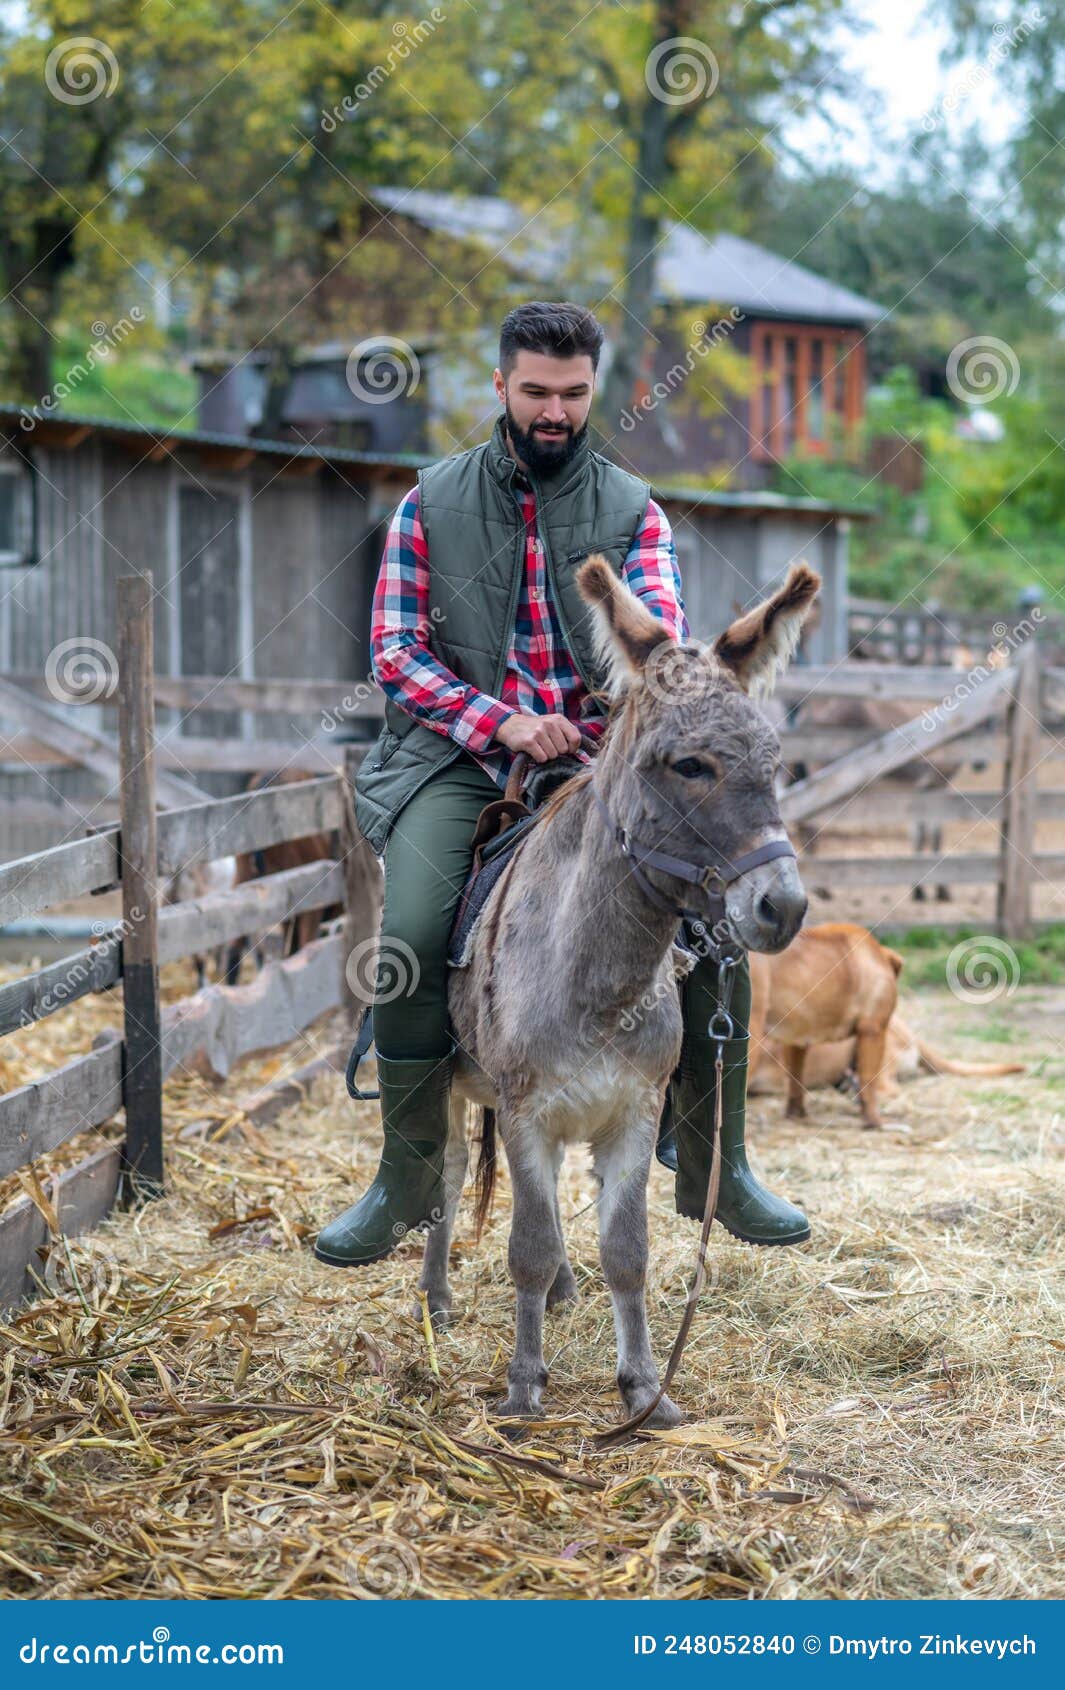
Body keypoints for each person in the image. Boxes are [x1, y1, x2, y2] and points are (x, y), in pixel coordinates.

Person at [314, 301, 809, 1267]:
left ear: (594, 393)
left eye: (573, 395)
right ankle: (406, 1174)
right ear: (499, 386)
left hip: (597, 765)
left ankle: (716, 1164)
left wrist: (592, 730)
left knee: (711, 927)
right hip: (456, 761)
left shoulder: (634, 511)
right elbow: (394, 648)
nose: (554, 411)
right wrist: (496, 720)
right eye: (535, 391)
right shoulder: (428, 503)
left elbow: (658, 643)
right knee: (411, 934)